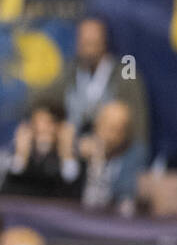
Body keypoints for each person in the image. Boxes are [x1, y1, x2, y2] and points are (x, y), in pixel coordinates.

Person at [41, 17, 149, 147]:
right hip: (73, 149)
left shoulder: (125, 74)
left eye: (93, 42)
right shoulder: (70, 73)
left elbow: (138, 130)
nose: (89, 48)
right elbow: (43, 99)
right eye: (85, 42)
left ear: (104, 42)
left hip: (113, 152)